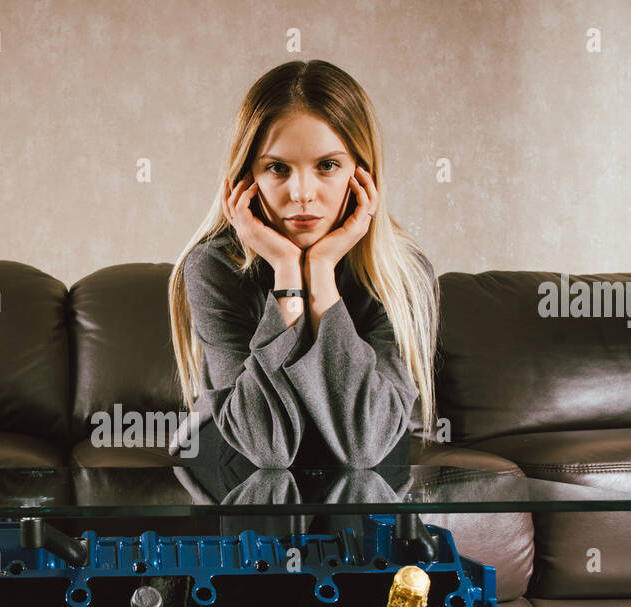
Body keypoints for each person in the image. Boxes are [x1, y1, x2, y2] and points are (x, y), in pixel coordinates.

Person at [166, 59, 441, 537]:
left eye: (328, 166)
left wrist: (321, 276)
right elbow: (266, 448)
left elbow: (364, 446)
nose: (301, 193)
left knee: (362, 479)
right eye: (277, 168)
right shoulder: (212, 268)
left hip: (361, 473)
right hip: (238, 462)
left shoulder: (405, 275)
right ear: (245, 178)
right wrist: (288, 276)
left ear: (363, 173)